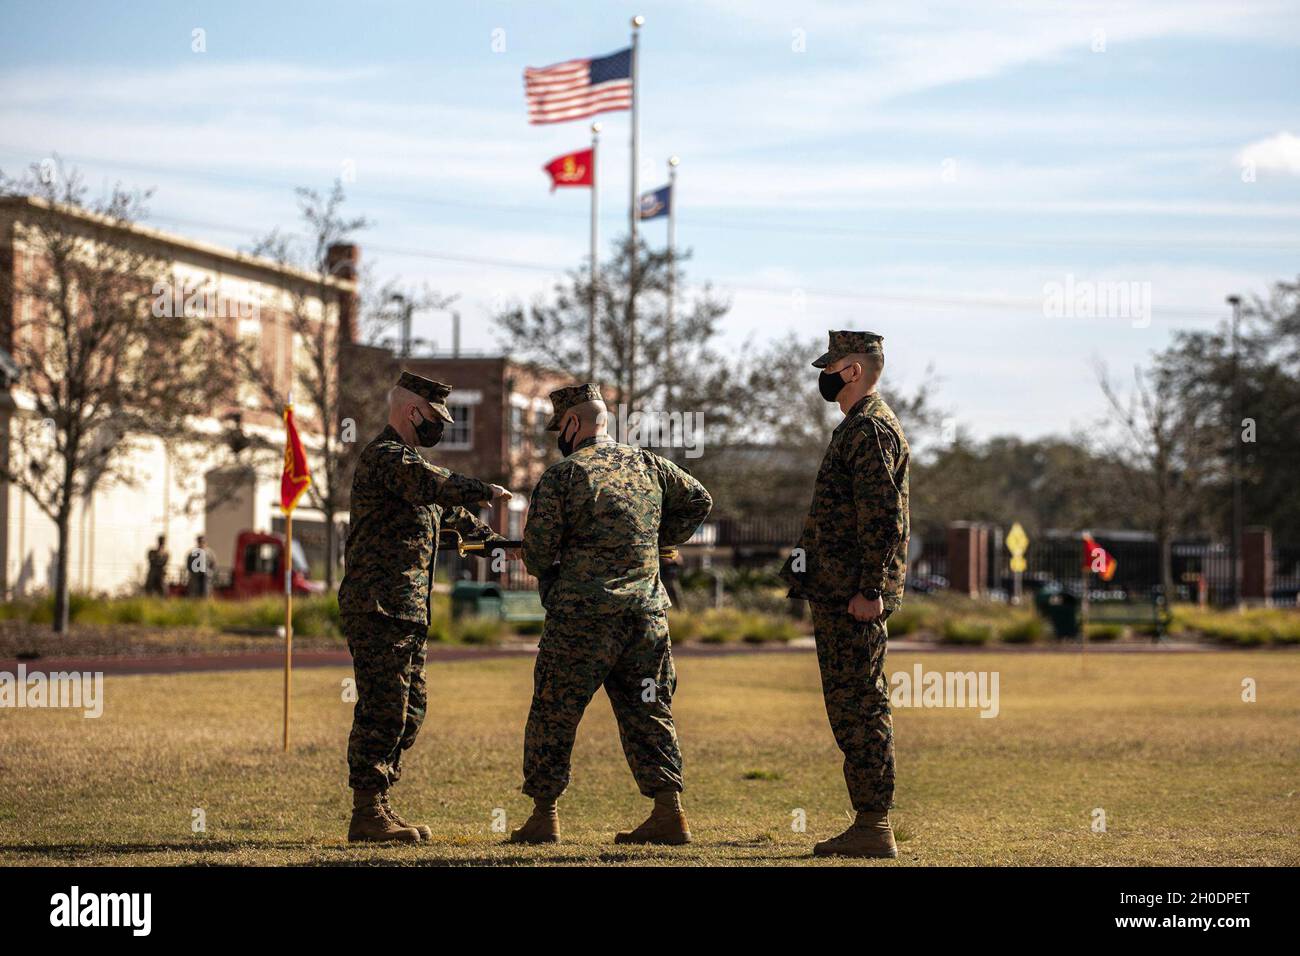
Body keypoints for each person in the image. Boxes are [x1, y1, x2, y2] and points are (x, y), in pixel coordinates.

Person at [510, 384, 712, 846]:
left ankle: (544, 815)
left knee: (554, 712)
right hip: (645, 617)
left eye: (559, 428)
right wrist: (659, 543)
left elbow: (539, 555)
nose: (557, 437)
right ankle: (668, 812)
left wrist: (546, 558)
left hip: (583, 617)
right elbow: (700, 499)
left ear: (574, 424)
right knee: (649, 708)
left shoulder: (564, 475)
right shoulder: (649, 465)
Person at [338, 371, 512, 844]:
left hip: (408, 610)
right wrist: (484, 488)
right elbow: (437, 487)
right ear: (413, 411)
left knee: (411, 708)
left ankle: (380, 803)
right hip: (378, 606)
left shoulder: (415, 473)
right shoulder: (388, 458)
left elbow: (455, 518)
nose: (443, 427)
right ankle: (367, 810)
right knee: (384, 707)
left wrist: (505, 545)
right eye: (438, 418)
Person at [780, 330, 910, 859]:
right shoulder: (857, 428)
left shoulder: (871, 429)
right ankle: (869, 820)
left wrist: (869, 588)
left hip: (853, 597)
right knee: (849, 703)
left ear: (852, 370)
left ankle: (874, 825)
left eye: (831, 367)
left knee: (860, 704)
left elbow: (883, 518)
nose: (824, 376)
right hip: (836, 591)